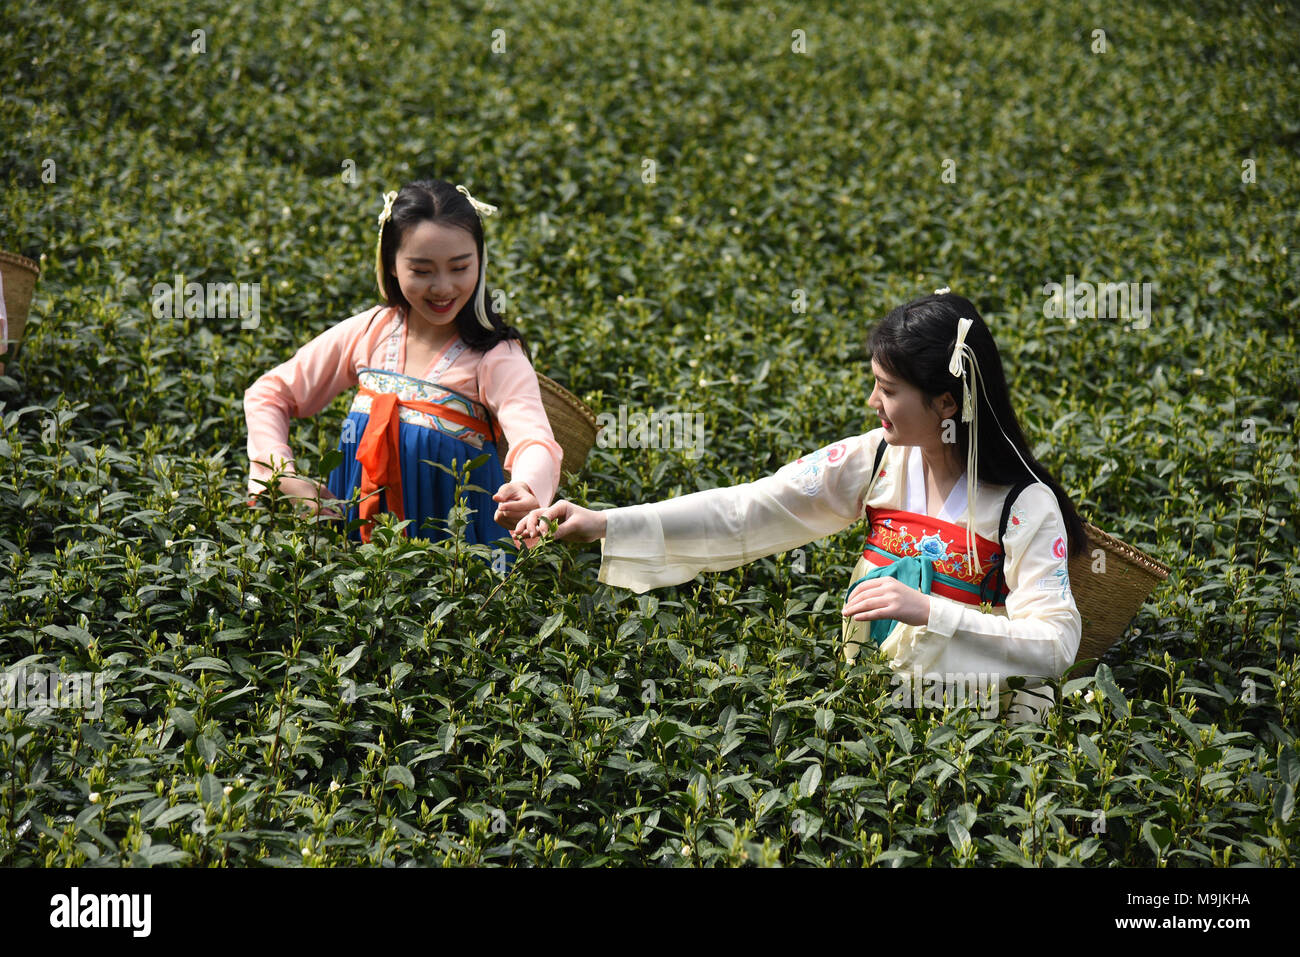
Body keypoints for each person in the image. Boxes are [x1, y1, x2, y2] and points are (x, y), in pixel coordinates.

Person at [512, 291, 1086, 723]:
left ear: (945, 402)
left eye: (888, 389)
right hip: (870, 709)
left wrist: (930, 611)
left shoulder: (1022, 506)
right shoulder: (877, 459)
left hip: (976, 736)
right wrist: (605, 523)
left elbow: (1056, 644)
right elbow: (749, 511)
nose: (872, 402)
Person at [244, 180, 564, 554]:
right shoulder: (372, 331)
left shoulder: (497, 356)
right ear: (392, 265)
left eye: (460, 267)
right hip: (351, 555)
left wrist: (525, 489)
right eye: (422, 270)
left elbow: (535, 440)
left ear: (480, 261)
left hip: (455, 568)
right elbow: (269, 394)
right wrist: (284, 476)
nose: (443, 287)